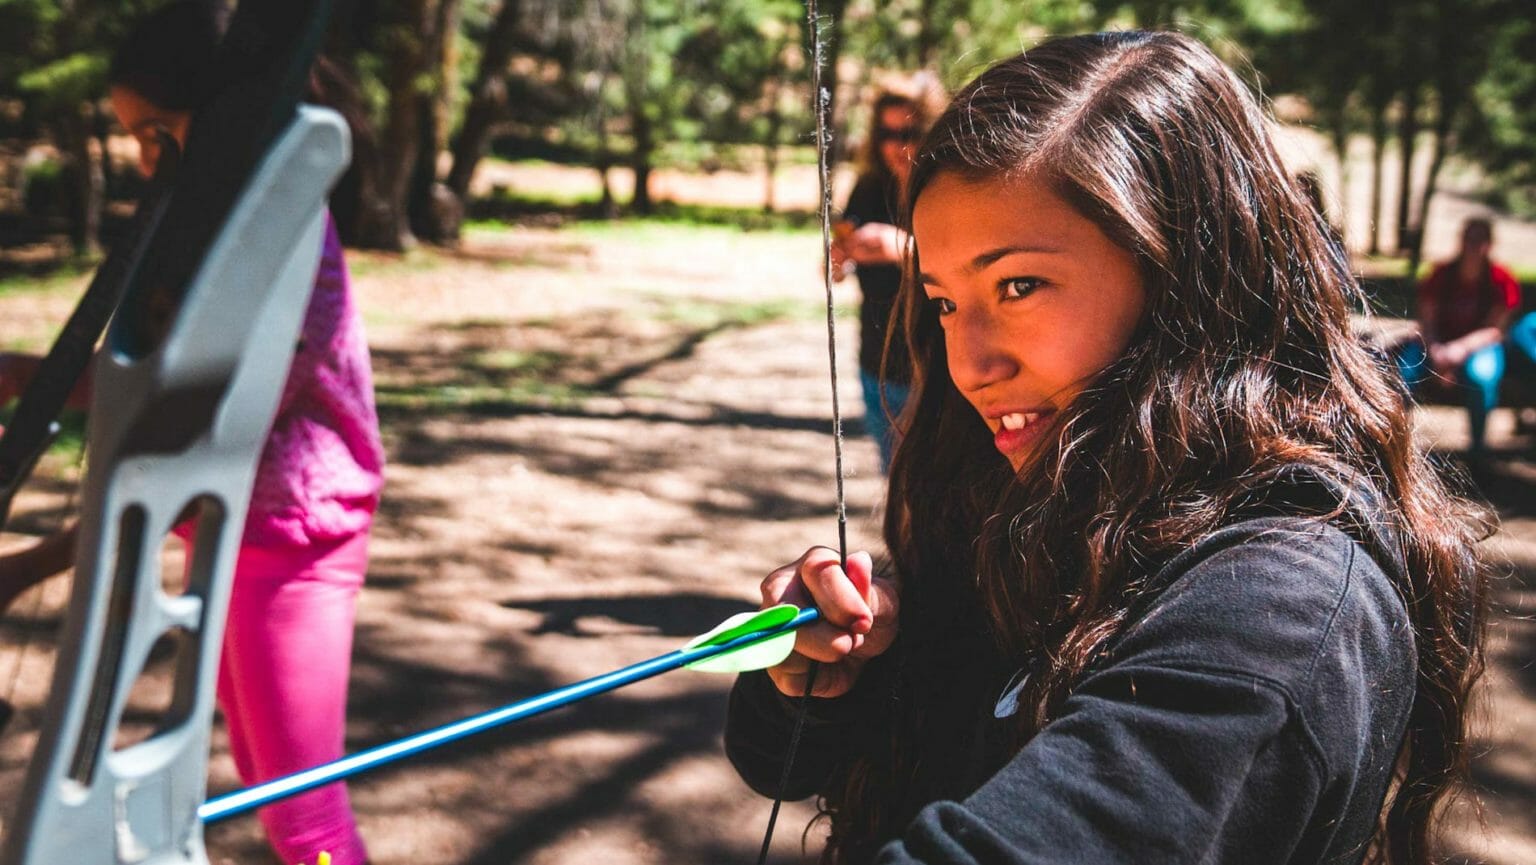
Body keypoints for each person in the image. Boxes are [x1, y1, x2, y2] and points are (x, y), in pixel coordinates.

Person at [726, 31, 1486, 865]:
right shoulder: (1046, 502)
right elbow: (785, 762)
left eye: (1018, 286)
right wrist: (821, 681)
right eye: (944, 302)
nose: (969, 365)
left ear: (1185, 280)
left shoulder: (1280, 604)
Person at [0, 3, 385, 862]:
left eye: (156, 135)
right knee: (268, 787)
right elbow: (164, 437)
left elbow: (191, 404)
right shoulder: (215, 233)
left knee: (304, 814)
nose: (145, 160)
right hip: (243, 536)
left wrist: (34, 379)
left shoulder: (275, 234)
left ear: (213, 120)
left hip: (296, 544)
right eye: (135, 139)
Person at [830, 73, 947, 473]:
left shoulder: (949, 189)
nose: (899, 145)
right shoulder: (867, 188)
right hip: (877, 367)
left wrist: (901, 247)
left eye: (910, 132)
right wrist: (837, 258)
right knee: (895, 488)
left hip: (936, 374)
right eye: (887, 132)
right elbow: (840, 260)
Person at [1393, 217, 1521, 454]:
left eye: (1479, 239)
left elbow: (1495, 329)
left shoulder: (1502, 280)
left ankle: (1478, 451)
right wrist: (1437, 351)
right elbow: (1427, 321)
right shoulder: (1440, 275)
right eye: (1468, 238)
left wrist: (1458, 351)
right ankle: (1397, 445)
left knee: (1482, 377)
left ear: (1489, 244)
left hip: (1479, 346)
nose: (1472, 245)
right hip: (1435, 343)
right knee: (1402, 376)